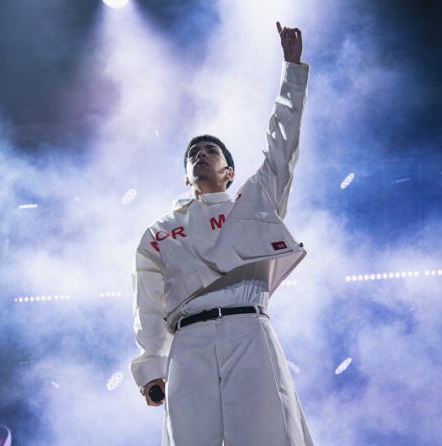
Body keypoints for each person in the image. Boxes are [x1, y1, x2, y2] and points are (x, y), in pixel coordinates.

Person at [130, 21, 314, 446]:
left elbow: (282, 147)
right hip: (189, 340)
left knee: (269, 437)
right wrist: (152, 367)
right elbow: (148, 306)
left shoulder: (255, 204)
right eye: (192, 154)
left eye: (210, 151)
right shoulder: (159, 233)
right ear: (185, 176)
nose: (199, 156)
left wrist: (292, 71)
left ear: (229, 172)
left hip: (249, 327)